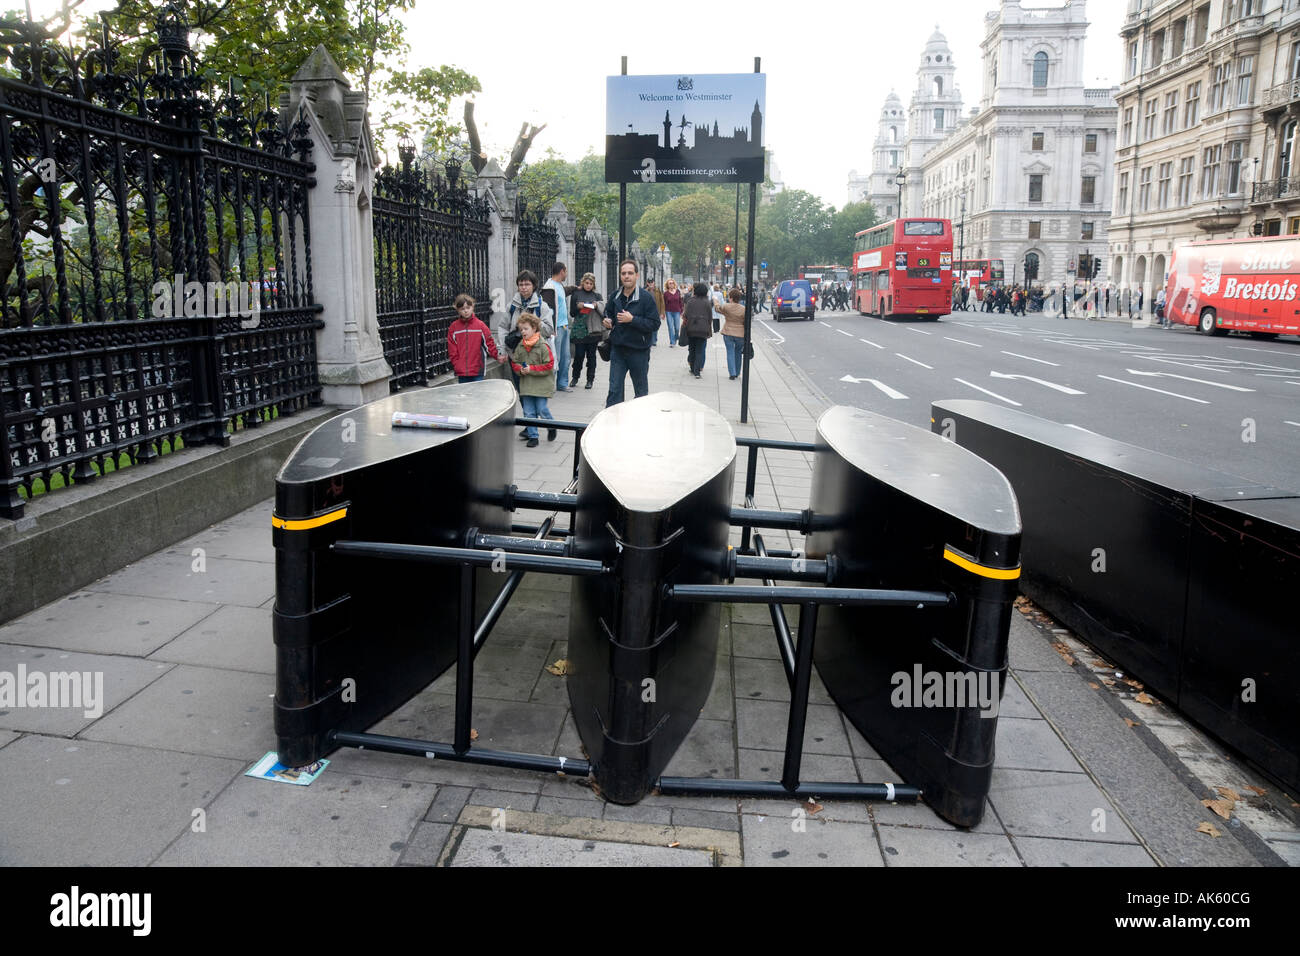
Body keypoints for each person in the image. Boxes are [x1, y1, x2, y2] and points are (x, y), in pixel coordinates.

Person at [602, 258, 660, 406]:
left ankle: (639, 424)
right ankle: (613, 423)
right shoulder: (615, 295)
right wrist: (607, 320)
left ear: (637, 275)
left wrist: (632, 319)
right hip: (618, 350)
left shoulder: (646, 298)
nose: (626, 276)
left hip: (639, 351)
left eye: (630, 273)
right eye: (623, 273)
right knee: (614, 391)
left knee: (641, 393)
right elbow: (607, 313)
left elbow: (654, 324)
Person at [510, 312, 556, 447]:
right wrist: (520, 369)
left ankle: (551, 425)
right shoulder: (520, 346)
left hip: (542, 385)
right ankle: (533, 436)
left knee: (542, 409)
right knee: (528, 412)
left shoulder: (543, 346)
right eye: (521, 329)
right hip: (527, 385)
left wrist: (532, 369)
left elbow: (549, 365)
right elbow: (515, 362)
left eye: (526, 329)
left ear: (534, 328)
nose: (523, 332)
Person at [447, 294, 500, 383]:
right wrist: (457, 364)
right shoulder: (454, 327)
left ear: (472, 307)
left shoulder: (480, 325)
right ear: (458, 310)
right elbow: (452, 349)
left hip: (477, 369)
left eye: (468, 308)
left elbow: (489, 343)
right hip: (462, 371)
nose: (466, 311)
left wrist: (498, 356)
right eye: (462, 309)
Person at [569, 272, 603, 389]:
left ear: (593, 285)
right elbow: (572, 313)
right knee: (578, 355)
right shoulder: (576, 294)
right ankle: (575, 377)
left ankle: (590, 379)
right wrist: (578, 307)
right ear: (583, 283)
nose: (588, 285)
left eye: (591, 283)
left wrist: (597, 305)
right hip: (579, 330)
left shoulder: (597, 296)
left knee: (591, 356)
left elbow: (603, 312)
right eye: (586, 283)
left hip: (592, 330)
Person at [543, 262, 571, 391]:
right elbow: (548, 309)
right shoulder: (549, 287)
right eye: (565, 271)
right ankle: (549, 384)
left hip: (564, 325)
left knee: (565, 358)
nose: (566, 274)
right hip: (556, 328)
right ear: (562, 271)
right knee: (556, 357)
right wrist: (551, 328)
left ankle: (562, 384)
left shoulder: (560, 285)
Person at [682, 281, 714, 378]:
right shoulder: (707, 302)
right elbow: (710, 316)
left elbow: (685, 314)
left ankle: (692, 368)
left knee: (692, 349)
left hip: (691, 328)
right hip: (703, 329)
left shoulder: (691, 301)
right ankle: (697, 371)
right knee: (700, 350)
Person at [718, 286, 746, 380]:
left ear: (731, 298)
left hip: (728, 332)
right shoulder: (743, 309)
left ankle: (732, 373)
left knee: (730, 352)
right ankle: (737, 372)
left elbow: (718, 309)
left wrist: (715, 301)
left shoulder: (726, 306)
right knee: (738, 352)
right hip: (740, 333)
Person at [663, 278, 683, 348]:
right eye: (670, 283)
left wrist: (681, 311)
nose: (671, 284)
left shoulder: (678, 292)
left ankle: (676, 337)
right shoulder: (665, 293)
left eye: (672, 283)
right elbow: (664, 303)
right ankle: (672, 342)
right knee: (671, 327)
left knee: (677, 327)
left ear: (674, 284)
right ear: (667, 285)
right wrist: (663, 313)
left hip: (677, 311)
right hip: (669, 312)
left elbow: (680, 301)